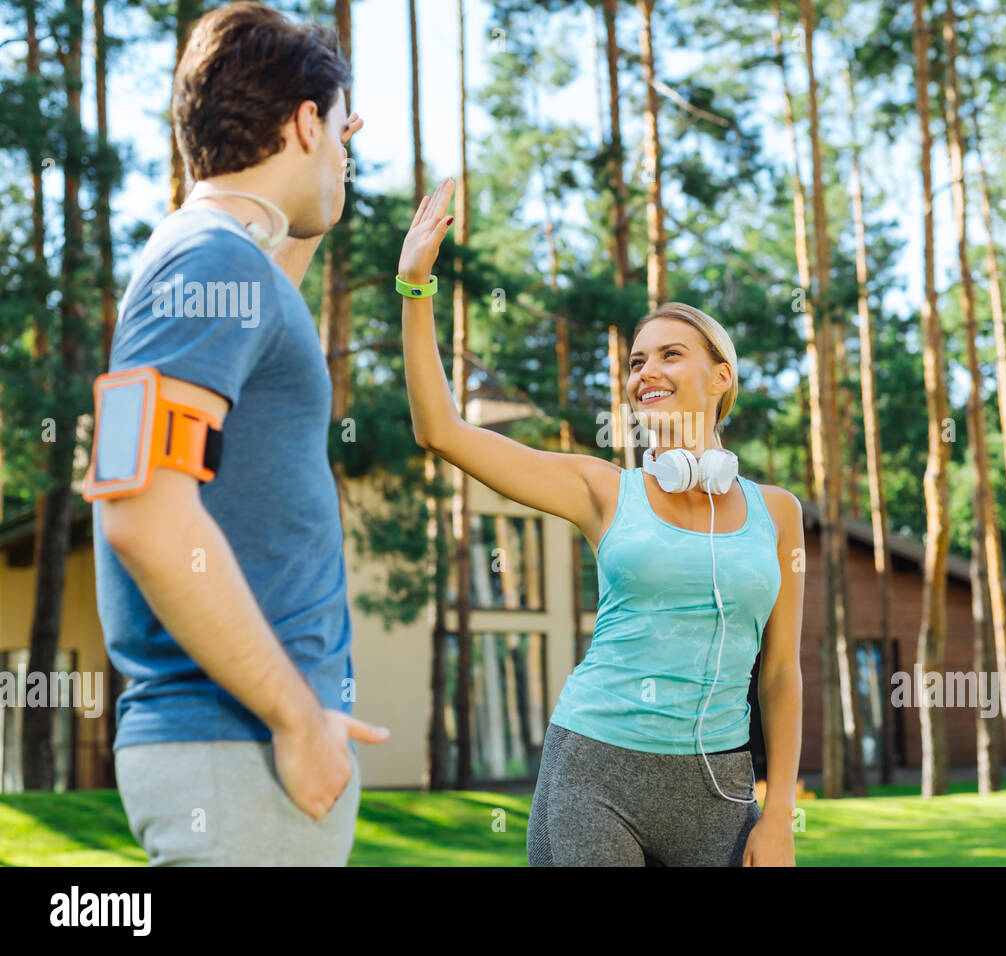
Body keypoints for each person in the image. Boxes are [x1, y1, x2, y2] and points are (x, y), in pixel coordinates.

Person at [398, 181, 805, 866]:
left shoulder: (779, 513)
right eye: (637, 360)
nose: (646, 370)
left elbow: (784, 671)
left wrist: (782, 815)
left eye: (671, 354)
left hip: (721, 790)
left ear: (720, 377)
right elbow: (440, 430)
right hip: (594, 770)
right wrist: (415, 288)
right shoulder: (603, 489)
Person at [90, 1, 387, 866]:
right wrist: (296, 720)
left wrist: (320, 187)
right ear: (301, 122)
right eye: (335, 133)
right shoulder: (208, 262)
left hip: (235, 755)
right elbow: (139, 509)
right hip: (242, 750)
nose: (345, 153)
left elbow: (266, 301)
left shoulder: (214, 260)